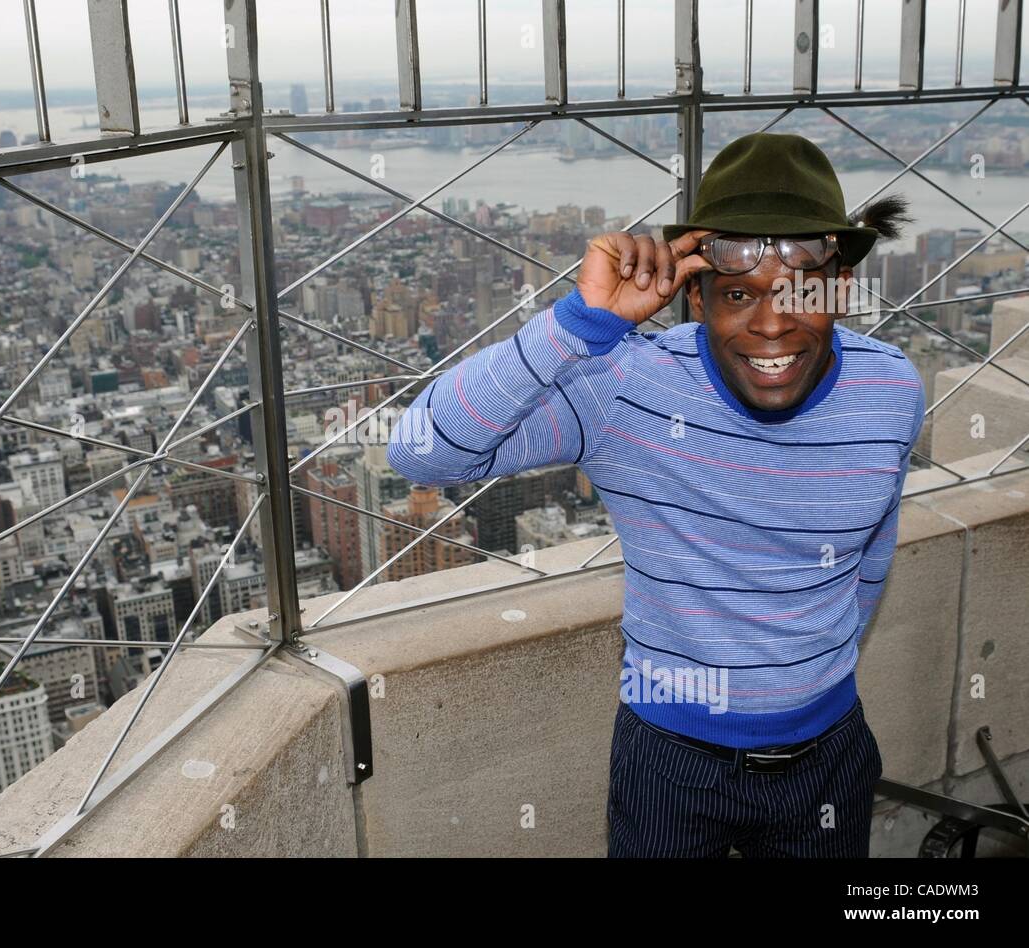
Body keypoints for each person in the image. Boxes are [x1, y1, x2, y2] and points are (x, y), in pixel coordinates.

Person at [386, 132, 922, 857]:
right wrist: (581, 324)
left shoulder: (890, 388)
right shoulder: (623, 385)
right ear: (695, 296)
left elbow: (868, 564)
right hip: (669, 763)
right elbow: (421, 449)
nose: (771, 324)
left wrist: (797, 686)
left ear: (841, 288)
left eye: (802, 290)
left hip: (828, 758)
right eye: (737, 295)